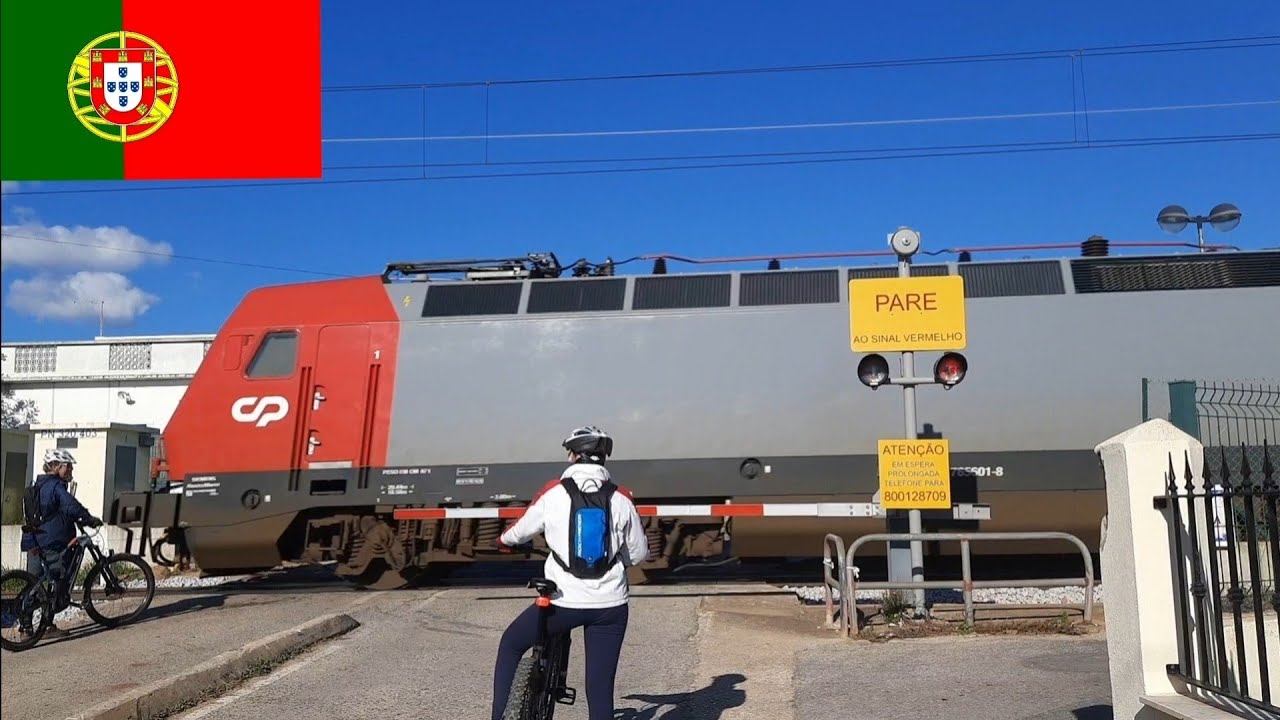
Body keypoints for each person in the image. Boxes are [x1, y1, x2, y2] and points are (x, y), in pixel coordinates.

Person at [490, 425, 649, 720]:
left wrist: (501, 541)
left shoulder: (553, 493)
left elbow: (519, 533)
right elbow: (639, 554)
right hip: (609, 607)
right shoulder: (622, 498)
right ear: (603, 459)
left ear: (574, 456)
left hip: (562, 604)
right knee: (600, 687)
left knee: (511, 644)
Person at [20, 448, 104, 637]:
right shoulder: (55, 486)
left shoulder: (38, 485)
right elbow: (70, 505)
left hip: (34, 541)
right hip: (52, 542)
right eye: (68, 466)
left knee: (34, 583)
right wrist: (88, 518)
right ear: (57, 466)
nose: (71, 470)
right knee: (58, 582)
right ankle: (43, 623)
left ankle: (29, 627)